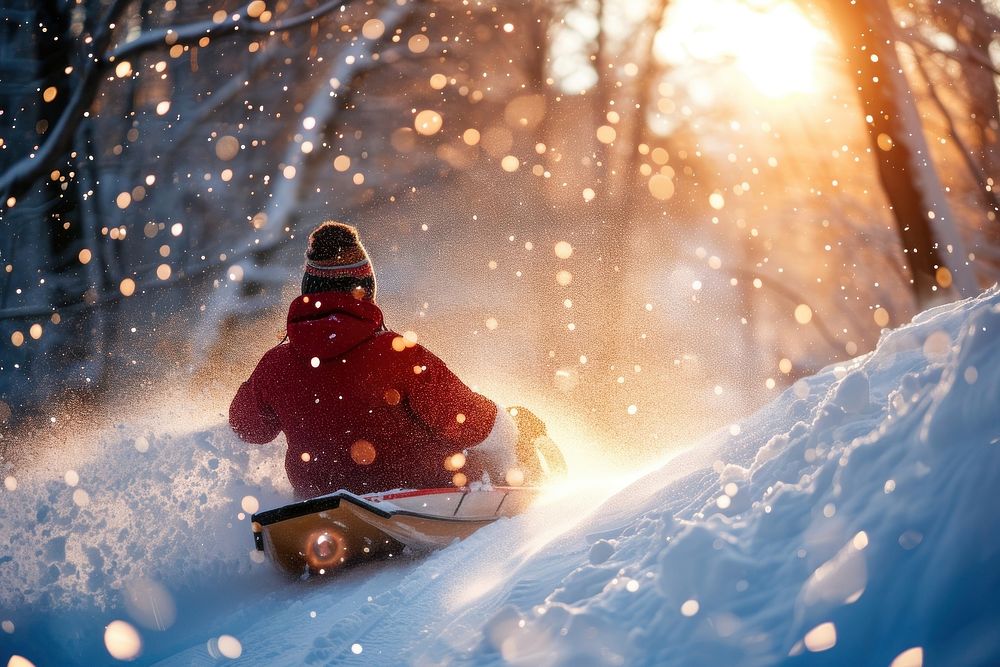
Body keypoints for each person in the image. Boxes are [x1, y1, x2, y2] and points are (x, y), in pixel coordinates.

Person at [229, 221, 565, 498]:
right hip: (425, 488)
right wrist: (515, 426)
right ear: (365, 289)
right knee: (516, 424)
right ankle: (545, 502)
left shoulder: (275, 365)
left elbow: (247, 428)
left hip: (320, 492)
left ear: (308, 290)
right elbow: (469, 422)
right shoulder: (396, 353)